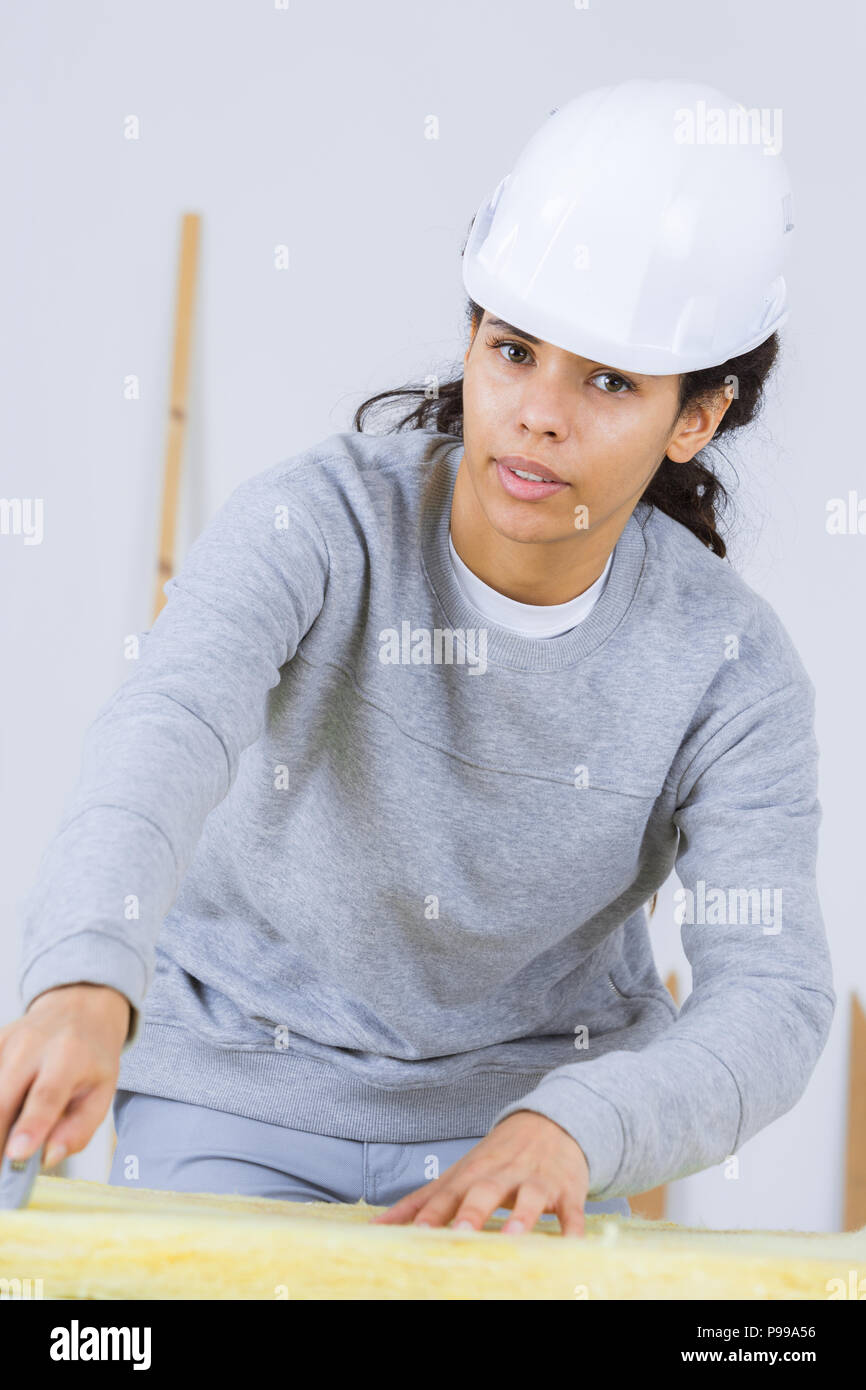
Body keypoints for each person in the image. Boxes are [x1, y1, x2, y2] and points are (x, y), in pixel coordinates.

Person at [1, 78, 833, 1239]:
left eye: (606, 380)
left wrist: (579, 1124)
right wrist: (86, 974)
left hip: (523, 1140)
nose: (537, 414)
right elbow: (165, 732)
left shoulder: (731, 667)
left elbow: (775, 996)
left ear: (694, 418)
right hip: (232, 1092)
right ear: (473, 339)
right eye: (513, 351)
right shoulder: (316, 523)